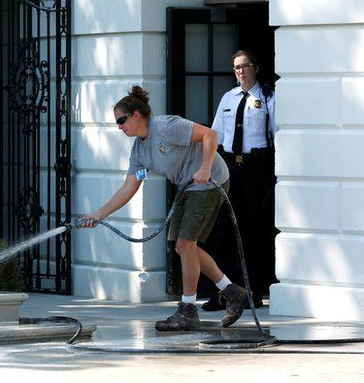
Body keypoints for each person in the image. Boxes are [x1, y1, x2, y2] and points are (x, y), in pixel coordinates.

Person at [81, 86, 248, 331]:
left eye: (121, 120)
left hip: (210, 181)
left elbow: (209, 135)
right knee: (183, 246)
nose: (119, 127)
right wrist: (98, 214)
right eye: (117, 123)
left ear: (137, 115)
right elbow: (129, 188)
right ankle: (231, 291)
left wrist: (205, 167)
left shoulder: (166, 126)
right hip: (187, 186)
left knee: (186, 244)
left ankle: (188, 310)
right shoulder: (139, 152)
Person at [202, 49, 278, 311]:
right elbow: (215, 136)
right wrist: (208, 167)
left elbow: (278, 135)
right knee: (224, 231)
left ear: (256, 68)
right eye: (236, 67)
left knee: (254, 230)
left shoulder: (268, 98)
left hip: (256, 169)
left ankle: (254, 290)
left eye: (245, 66)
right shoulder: (228, 98)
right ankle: (223, 292)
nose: (241, 71)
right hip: (230, 167)